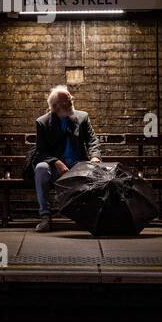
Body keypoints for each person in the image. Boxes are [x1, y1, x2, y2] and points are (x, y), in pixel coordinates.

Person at [25, 85, 102, 233]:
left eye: (70, 98)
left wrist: (94, 157)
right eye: (67, 100)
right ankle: (45, 217)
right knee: (41, 168)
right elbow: (41, 151)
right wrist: (56, 162)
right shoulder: (43, 122)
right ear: (55, 106)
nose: (71, 101)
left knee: (97, 172)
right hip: (55, 169)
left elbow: (92, 141)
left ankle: (89, 217)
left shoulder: (82, 117)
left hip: (78, 168)